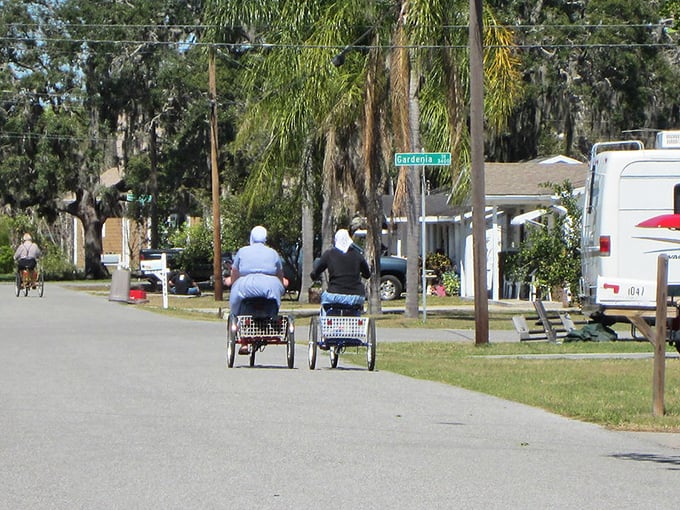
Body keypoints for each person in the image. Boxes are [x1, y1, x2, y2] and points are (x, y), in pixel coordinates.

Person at [228, 226, 286, 318]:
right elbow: (280, 273)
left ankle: (235, 317)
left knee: (234, 303)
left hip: (246, 285)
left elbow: (235, 272)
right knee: (275, 298)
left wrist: (233, 284)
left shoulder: (242, 251)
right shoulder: (273, 253)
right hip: (270, 285)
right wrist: (281, 285)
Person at [309, 228, 371, 307]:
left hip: (334, 295)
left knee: (324, 300)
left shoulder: (329, 254)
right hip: (356, 296)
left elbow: (315, 273)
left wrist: (314, 277)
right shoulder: (357, 255)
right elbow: (367, 274)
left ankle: (325, 319)